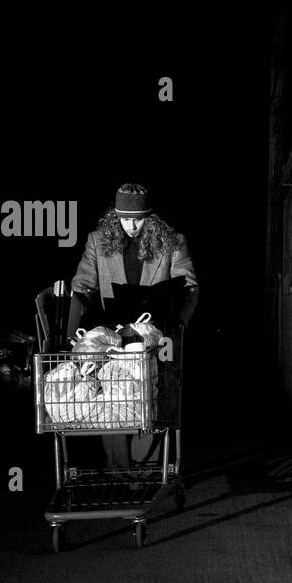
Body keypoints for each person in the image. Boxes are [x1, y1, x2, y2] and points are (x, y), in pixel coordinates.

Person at [69, 183, 198, 469]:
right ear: (114, 217)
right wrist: (78, 320)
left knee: (152, 396)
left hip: (153, 334)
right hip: (113, 333)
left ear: (150, 217)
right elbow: (83, 284)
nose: (132, 226)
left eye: (138, 219)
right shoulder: (97, 241)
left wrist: (177, 325)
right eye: (125, 219)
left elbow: (189, 287)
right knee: (113, 399)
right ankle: (119, 470)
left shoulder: (172, 242)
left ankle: (148, 469)